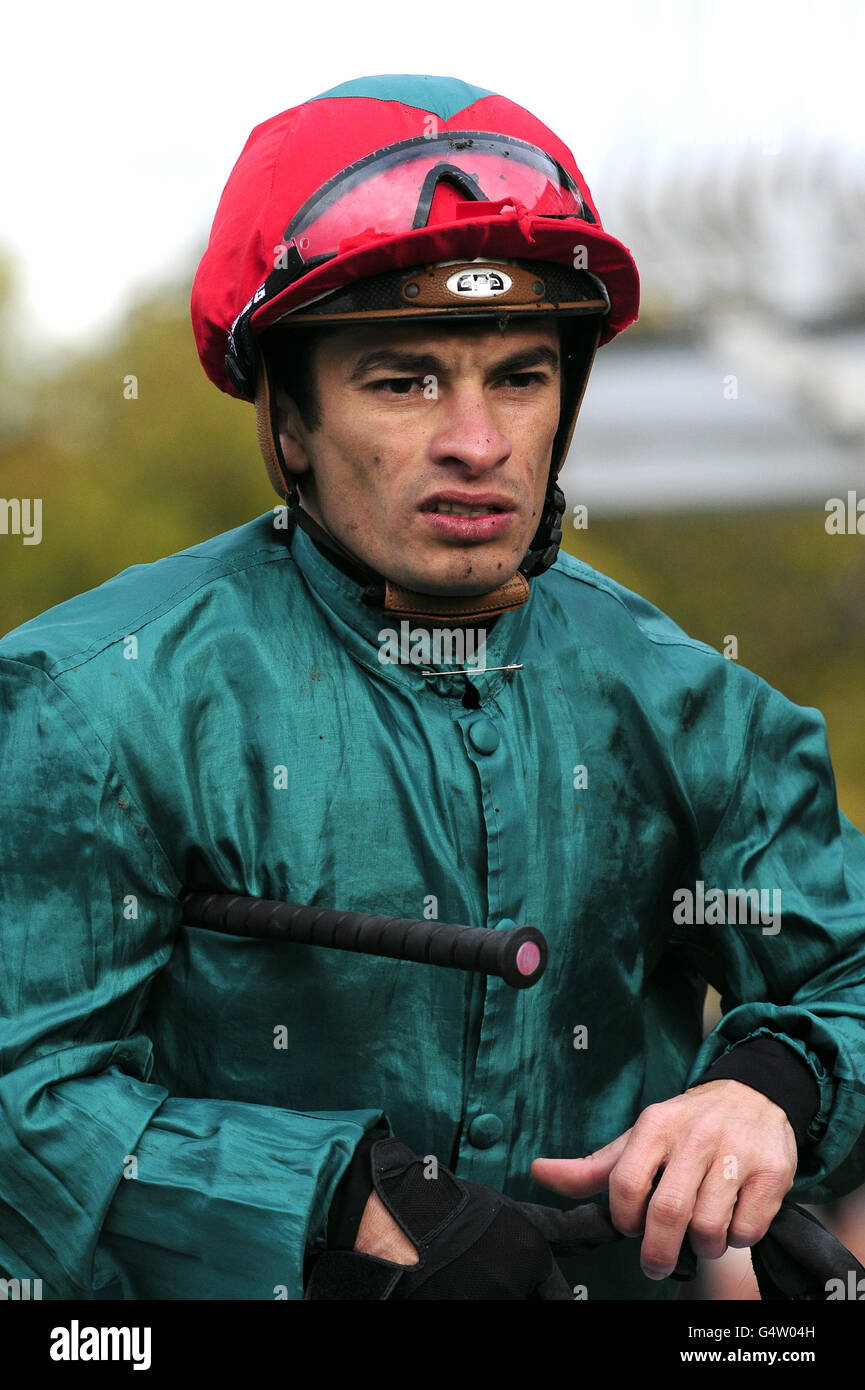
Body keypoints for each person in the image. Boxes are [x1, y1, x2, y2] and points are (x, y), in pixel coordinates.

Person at [1, 72, 864, 1302]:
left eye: (518, 376)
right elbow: (18, 1098)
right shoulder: (83, 704)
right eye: (404, 382)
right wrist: (334, 1201)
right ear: (287, 421)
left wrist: (775, 1087)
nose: (477, 440)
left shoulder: (692, 701)